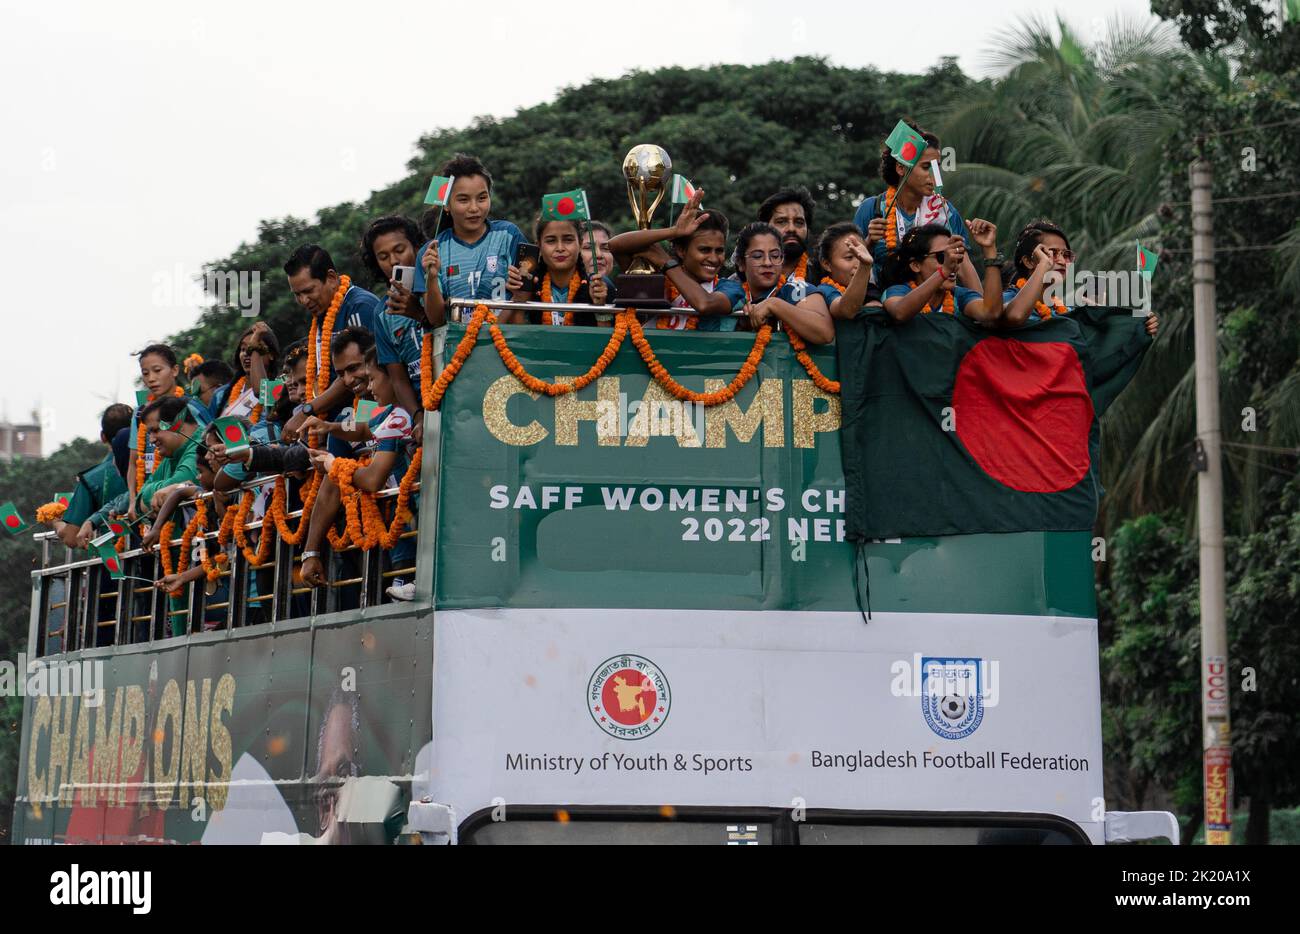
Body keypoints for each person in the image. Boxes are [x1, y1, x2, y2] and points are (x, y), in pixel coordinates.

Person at [854, 121, 982, 292]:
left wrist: (983, 312)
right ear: (901, 168)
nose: (934, 175)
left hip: (936, 308)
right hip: (881, 307)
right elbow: (851, 264)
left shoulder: (945, 211)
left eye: (937, 167)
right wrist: (869, 241)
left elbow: (964, 266)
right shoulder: (872, 209)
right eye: (926, 167)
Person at [280, 244, 382, 443]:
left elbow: (357, 373)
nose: (303, 300)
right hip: (336, 418)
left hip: (368, 416)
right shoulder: (322, 315)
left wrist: (307, 411)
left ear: (332, 278)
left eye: (308, 291)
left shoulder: (359, 307)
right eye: (297, 294)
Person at [415, 153, 526, 327]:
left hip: (506, 344)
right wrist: (432, 277)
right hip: (456, 350)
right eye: (463, 200)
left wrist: (487, 334)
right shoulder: (430, 253)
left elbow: (524, 294)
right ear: (447, 205)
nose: (474, 208)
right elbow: (436, 319)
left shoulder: (509, 235)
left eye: (482, 198)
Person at [1003, 220, 1161, 336]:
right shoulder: (1007, 301)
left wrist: (1142, 326)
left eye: (1066, 255)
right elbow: (1014, 316)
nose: (1062, 261)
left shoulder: (1067, 312)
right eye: (1051, 253)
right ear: (1029, 261)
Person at [606, 190, 732, 330]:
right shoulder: (657, 281)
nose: (714, 259)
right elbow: (614, 245)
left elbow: (704, 304)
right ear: (681, 250)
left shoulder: (730, 288)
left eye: (719, 251)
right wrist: (674, 231)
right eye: (704, 250)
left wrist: (667, 262)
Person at [122, 344, 211, 525]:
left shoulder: (190, 406)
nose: (152, 379)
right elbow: (133, 462)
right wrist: (133, 500)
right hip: (153, 497)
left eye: (157, 370)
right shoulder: (140, 413)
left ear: (175, 370)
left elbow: (205, 444)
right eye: (145, 373)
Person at [360, 214, 427, 440]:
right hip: (425, 407)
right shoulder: (382, 313)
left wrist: (417, 312)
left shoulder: (437, 286)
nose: (393, 261)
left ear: (416, 247)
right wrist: (418, 417)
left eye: (400, 250)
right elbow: (398, 378)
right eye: (383, 256)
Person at [712, 222, 834, 342]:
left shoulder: (796, 289)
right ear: (741, 263)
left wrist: (774, 305)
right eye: (758, 256)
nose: (768, 263)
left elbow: (824, 333)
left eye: (775, 256)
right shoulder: (731, 292)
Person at [879, 221, 1009, 325]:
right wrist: (944, 270)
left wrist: (989, 250)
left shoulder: (959, 296)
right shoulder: (898, 291)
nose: (953, 264)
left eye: (956, 255)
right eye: (942, 257)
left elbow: (991, 313)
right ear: (916, 265)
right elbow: (900, 313)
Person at [500, 216, 611, 325]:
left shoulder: (598, 287)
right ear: (539, 245)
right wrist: (519, 300)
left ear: (580, 243)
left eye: (568, 240)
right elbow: (511, 337)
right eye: (551, 241)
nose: (560, 248)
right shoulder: (530, 286)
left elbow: (608, 340)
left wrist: (600, 306)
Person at [803, 222, 882, 322]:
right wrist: (864, 266)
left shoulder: (873, 287)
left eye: (862, 254)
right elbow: (846, 310)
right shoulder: (825, 290)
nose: (858, 263)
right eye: (849, 257)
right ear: (826, 264)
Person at [211, 322, 280, 421]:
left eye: (256, 347)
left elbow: (261, 391)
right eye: (243, 349)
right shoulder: (221, 394)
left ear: (271, 355)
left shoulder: (280, 388)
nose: (247, 353)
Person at [757, 186, 816, 292]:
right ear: (764, 228)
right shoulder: (746, 279)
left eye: (799, 222)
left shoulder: (823, 277)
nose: (791, 229)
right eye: (781, 221)